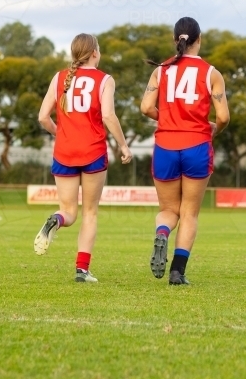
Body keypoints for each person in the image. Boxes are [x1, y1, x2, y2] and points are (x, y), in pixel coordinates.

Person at [35, 33, 132, 283]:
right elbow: (109, 116)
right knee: (90, 213)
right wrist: (123, 146)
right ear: (95, 53)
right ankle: (82, 270)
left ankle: (56, 220)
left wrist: (62, 133)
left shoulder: (59, 78)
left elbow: (42, 117)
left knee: (68, 211)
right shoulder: (105, 80)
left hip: (64, 152)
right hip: (93, 152)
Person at [140, 17, 230, 285]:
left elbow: (145, 108)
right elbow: (223, 117)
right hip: (197, 147)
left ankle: (163, 232)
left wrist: (168, 119)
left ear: (175, 39)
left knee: (168, 209)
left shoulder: (161, 70)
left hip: (166, 146)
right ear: (199, 39)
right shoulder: (211, 73)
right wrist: (213, 129)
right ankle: (177, 272)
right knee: (189, 212)